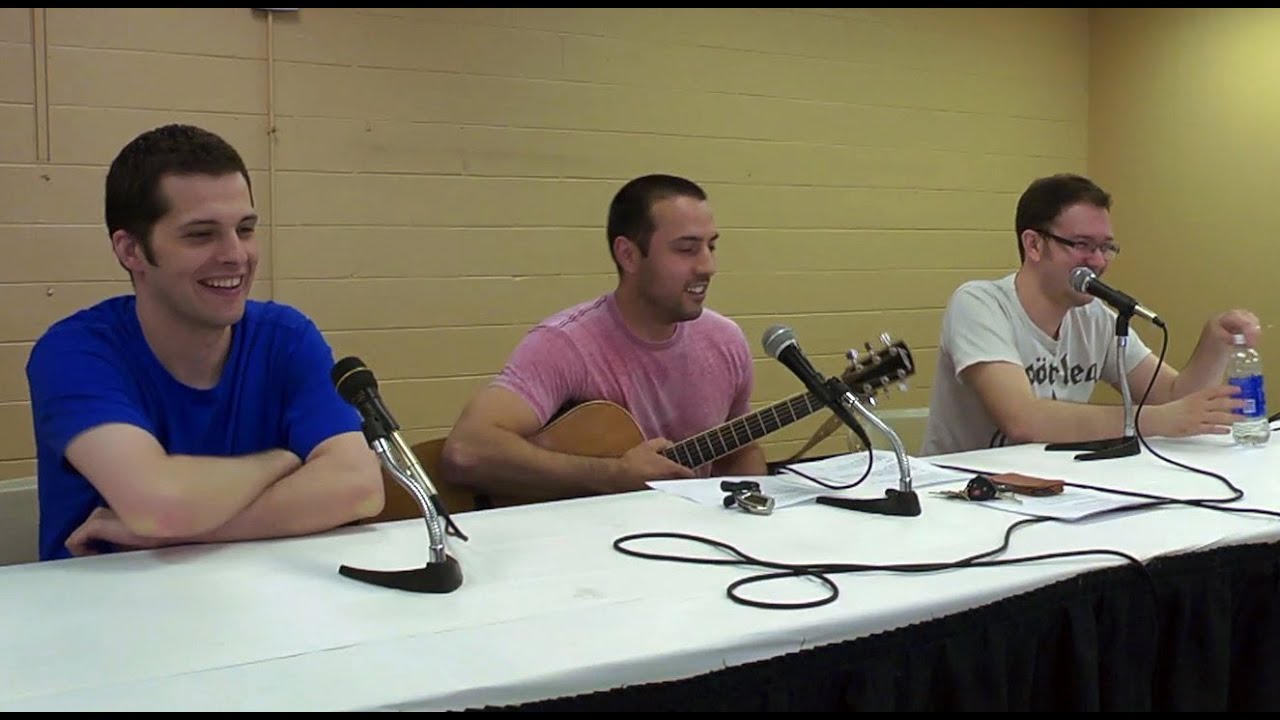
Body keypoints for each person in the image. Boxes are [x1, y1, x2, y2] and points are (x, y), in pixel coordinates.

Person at [26, 124, 384, 561]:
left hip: (253, 602)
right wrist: (282, 461)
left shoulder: (287, 337)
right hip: (104, 611)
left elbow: (360, 488)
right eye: (201, 234)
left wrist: (175, 535)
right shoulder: (74, 353)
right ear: (130, 251)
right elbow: (159, 504)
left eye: (246, 229)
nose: (236, 254)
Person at [440, 174, 766, 502]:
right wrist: (612, 476)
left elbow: (739, 450)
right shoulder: (565, 343)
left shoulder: (726, 340)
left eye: (711, 246)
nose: (707, 266)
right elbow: (467, 451)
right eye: (686, 249)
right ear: (628, 255)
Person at [921, 172, 1259, 456]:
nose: (1098, 262)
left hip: (1053, 487)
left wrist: (1215, 343)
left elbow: (1172, 399)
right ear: (1034, 244)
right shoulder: (979, 304)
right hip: (964, 496)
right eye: (1082, 245)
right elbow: (1023, 420)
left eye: (1106, 247)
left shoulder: (1094, 317)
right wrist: (1155, 420)